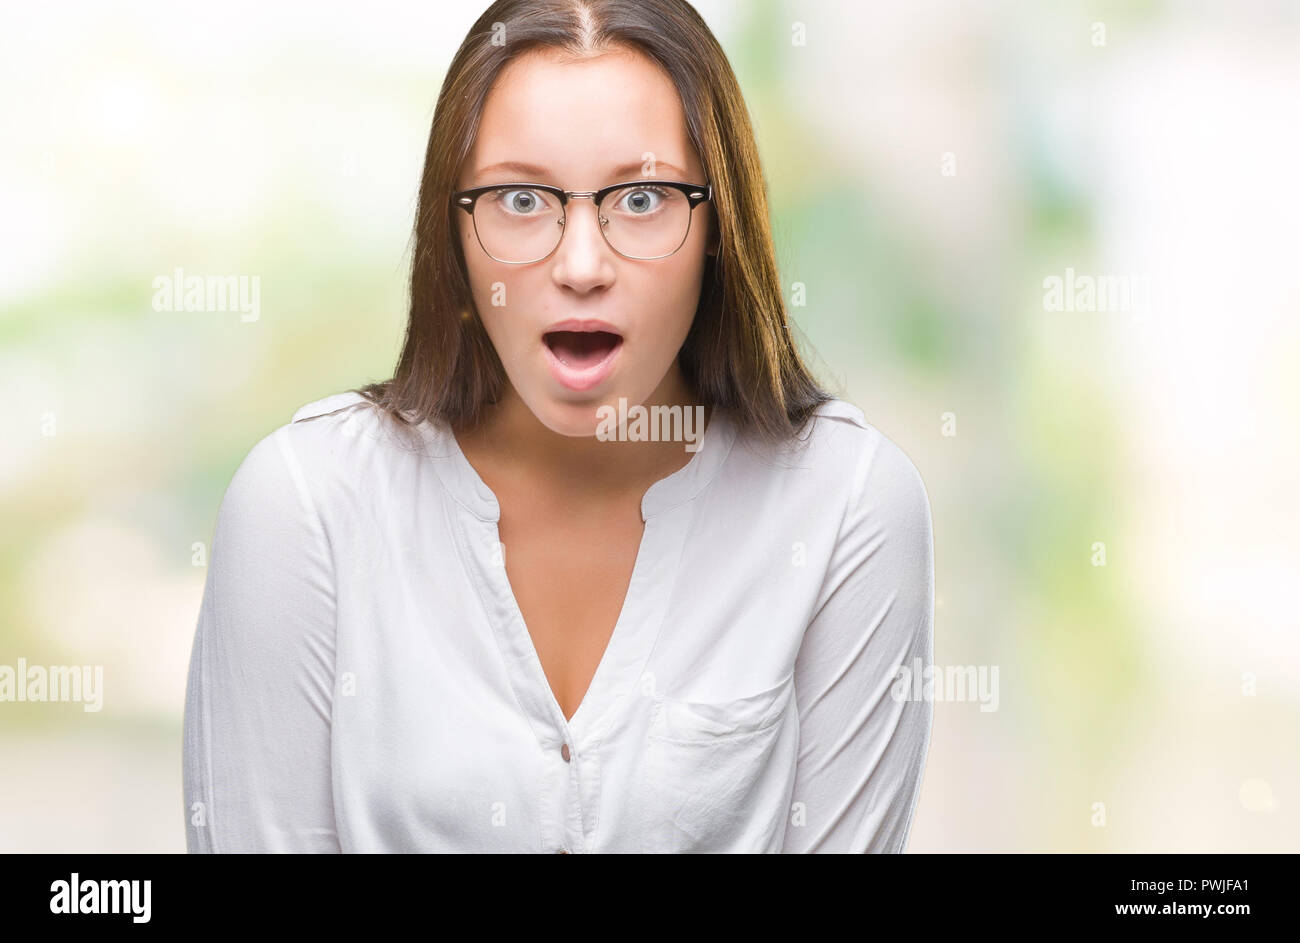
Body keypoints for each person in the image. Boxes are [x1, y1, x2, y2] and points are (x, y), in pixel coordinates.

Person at [182, 0, 935, 853]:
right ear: (451, 228)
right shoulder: (306, 504)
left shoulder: (846, 505)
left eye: (643, 197)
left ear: (719, 227)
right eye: (521, 198)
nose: (582, 266)